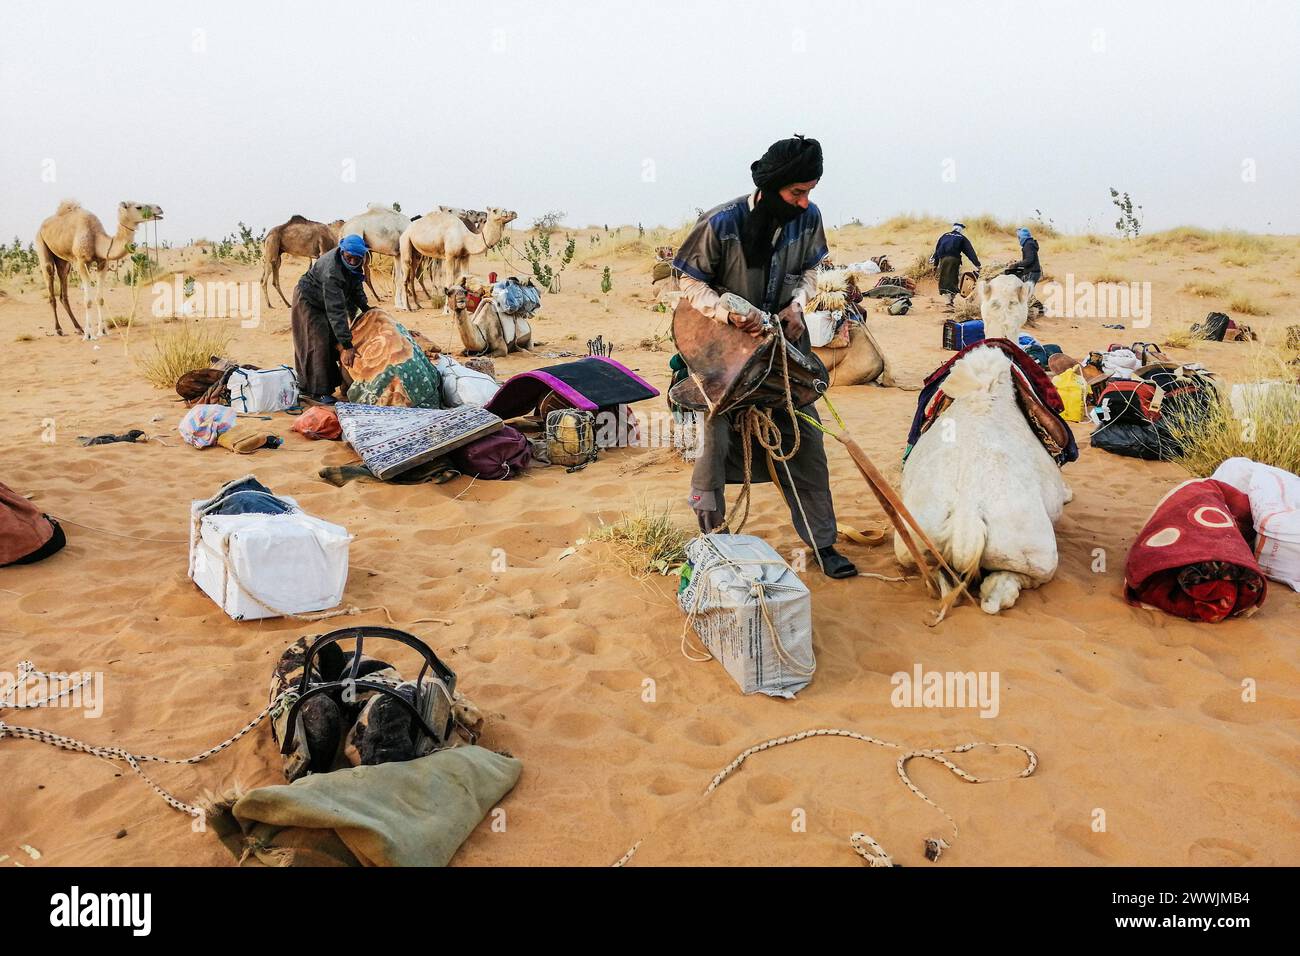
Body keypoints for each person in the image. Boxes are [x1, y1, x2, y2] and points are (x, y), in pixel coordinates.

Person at [672, 134, 857, 579]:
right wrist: (729, 313)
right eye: (797, 192)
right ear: (773, 186)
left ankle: (822, 542)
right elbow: (689, 283)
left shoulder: (808, 218)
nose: (804, 201)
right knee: (713, 445)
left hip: (786, 349)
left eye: (810, 191)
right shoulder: (721, 222)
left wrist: (797, 305)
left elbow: (813, 271)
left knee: (806, 440)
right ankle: (713, 538)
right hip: (722, 353)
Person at [292, 233, 371, 404]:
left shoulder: (356, 263)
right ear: (342, 252)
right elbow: (336, 310)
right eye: (349, 258)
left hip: (325, 299)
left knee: (331, 341)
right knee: (317, 342)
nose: (352, 262)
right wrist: (347, 345)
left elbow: (356, 287)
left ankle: (331, 383)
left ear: (362, 256)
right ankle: (316, 392)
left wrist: (366, 308)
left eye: (356, 259)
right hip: (309, 300)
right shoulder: (332, 271)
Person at [931, 222, 981, 310]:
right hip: (954, 260)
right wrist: (977, 265)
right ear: (961, 230)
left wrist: (935, 265)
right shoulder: (962, 238)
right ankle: (949, 302)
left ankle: (948, 301)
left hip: (943, 259)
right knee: (953, 279)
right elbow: (970, 252)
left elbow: (937, 250)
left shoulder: (944, 236)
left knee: (944, 278)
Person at [1007, 226, 1042, 297]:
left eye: (1019, 237)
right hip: (1032, 271)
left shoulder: (1028, 245)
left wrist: (1016, 264)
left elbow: (1029, 260)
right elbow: (1029, 259)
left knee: (1026, 293)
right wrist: (1017, 262)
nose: (1018, 239)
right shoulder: (1029, 244)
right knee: (1026, 292)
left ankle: (1038, 307)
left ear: (1023, 236)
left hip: (1033, 272)